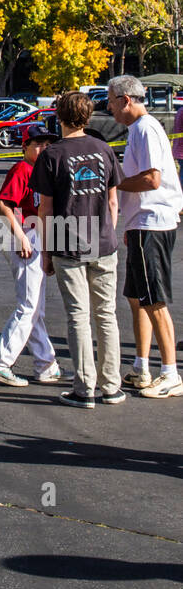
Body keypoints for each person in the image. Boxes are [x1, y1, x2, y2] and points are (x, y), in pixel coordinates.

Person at [30, 90, 125, 408]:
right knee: (106, 315)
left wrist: (46, 251)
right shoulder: (103, 149)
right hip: (103, 244)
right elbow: (113, 201)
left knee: (78, 317)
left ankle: (85, 388)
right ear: (88, 117)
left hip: (67, 245)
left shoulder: (52, 155)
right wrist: (108, 233)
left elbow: (45, 209)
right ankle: (111, 386)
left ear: (58, 117)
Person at [108, 75, 183, 399]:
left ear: (125, 99)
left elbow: (153, 179)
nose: (109, 108)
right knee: (137, 298)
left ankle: (170, 373)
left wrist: (114, 182)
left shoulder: (147, 128)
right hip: (141, 223)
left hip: (153, 221)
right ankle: (141, 366)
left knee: (154, 299)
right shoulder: (139, 129)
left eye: (111, 101)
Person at [0, 125, 70, 387]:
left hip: (39, 238)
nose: (43, 148)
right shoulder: (22, 169)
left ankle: (45, 365)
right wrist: (20, 235)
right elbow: (3, 203)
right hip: (27, 239)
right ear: (25, 147)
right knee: (29, 307)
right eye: (37, 144)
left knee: (35, 309)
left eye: (47, 143)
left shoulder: (43, 171)